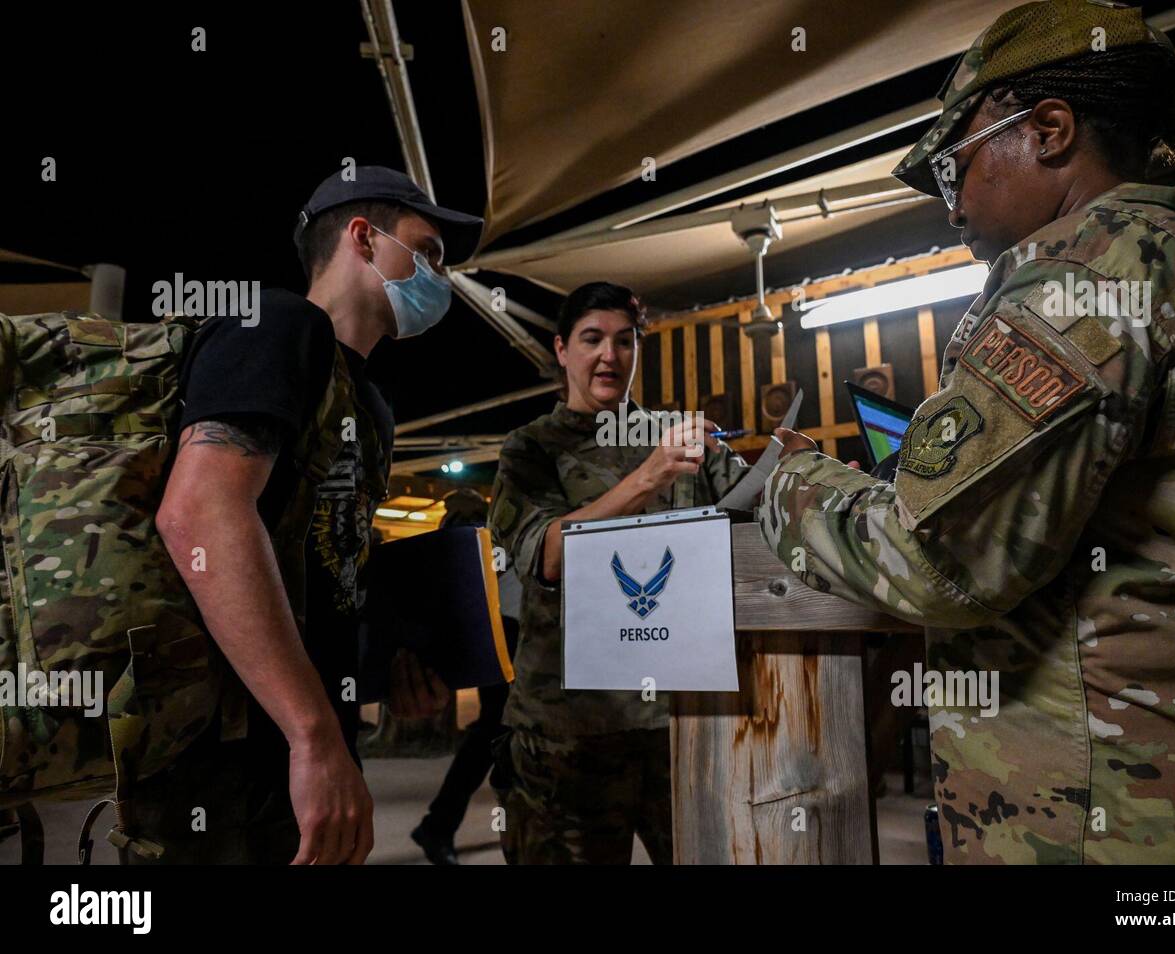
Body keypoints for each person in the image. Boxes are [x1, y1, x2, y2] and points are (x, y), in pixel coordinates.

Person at [759, 0, 1175, 864]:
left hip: (1123, 816)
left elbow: (935, 559)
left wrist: (790, 484)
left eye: (955, 169)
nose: (951, 208)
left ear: (1048, 129)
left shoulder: (1087, 272)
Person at [137, 166, 477, 864]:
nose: (440, 276)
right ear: (364, 237)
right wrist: (312, 735)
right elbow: (199, 512)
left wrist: (391, 671)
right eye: (429, 251)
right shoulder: (277, 325)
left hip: (298, 752)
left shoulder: (369, 405)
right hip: (221, 759)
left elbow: (330, 568)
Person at [487, 281, 748, 864]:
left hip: (678, 726)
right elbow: (548, 555)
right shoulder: (530, 448)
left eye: (625, 341)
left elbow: (755, 508)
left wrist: (805, 481)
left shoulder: (678, 438)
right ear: (561, 350)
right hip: (566, 737)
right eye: (592, 339)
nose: (610, 355)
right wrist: (648, 477)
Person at [411, 489, 522, 865]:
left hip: (506, 627)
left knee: (499, 732)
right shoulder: (474, 528)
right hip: (503, 629)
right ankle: (440, 826)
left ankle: (443, 826)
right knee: (497, 731)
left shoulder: (480, 524)